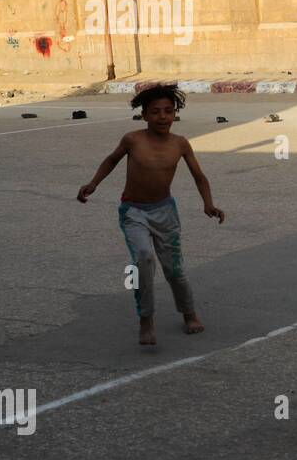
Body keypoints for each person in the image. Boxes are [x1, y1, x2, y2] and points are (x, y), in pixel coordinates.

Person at [77, 83, 224, 345]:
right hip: (134, 211)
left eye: (168, 111)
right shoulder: (132, 139)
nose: (163, 117)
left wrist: (208, 204)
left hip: (165, 211)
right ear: (144, 115)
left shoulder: (180, 144)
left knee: (174, 270)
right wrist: (93, 183)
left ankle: (189, 313)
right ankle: (146, 319)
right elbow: (112, 160)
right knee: (144, 258)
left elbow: (199, 177)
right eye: (155, 112)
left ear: (175, 113)